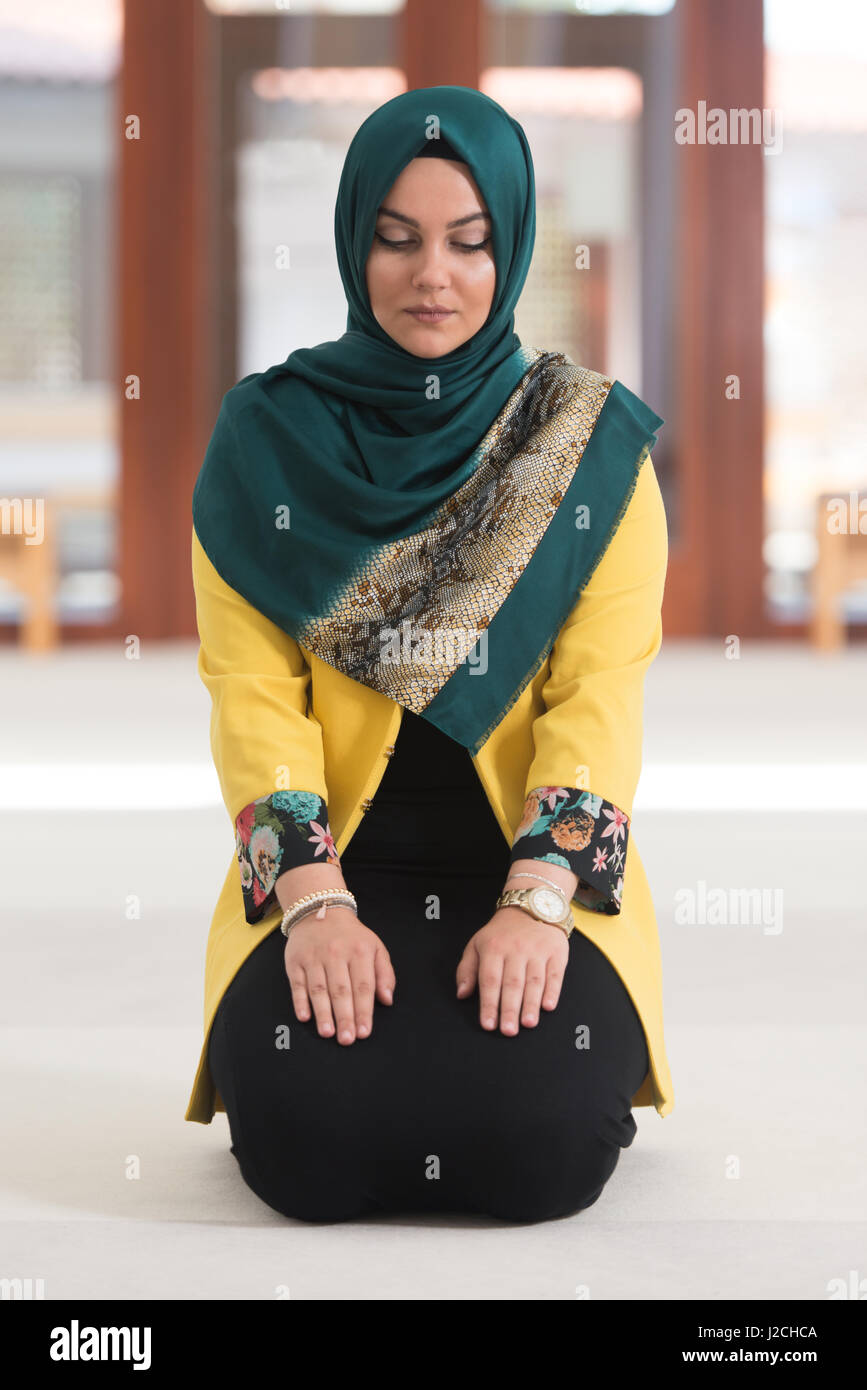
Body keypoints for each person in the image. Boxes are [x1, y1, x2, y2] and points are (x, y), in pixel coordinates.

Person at [186, 84, 675, 1224]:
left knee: (543, 1150)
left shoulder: (588, 447)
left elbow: (599, 697)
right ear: (358, 243)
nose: (432, 276)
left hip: (526, 866)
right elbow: (250, 693)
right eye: (396, 240)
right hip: (338, 862)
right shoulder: (267, 443)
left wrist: (542, 896)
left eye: (470, 242)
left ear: (511, 249)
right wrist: (309, 895)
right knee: (303, 1148)